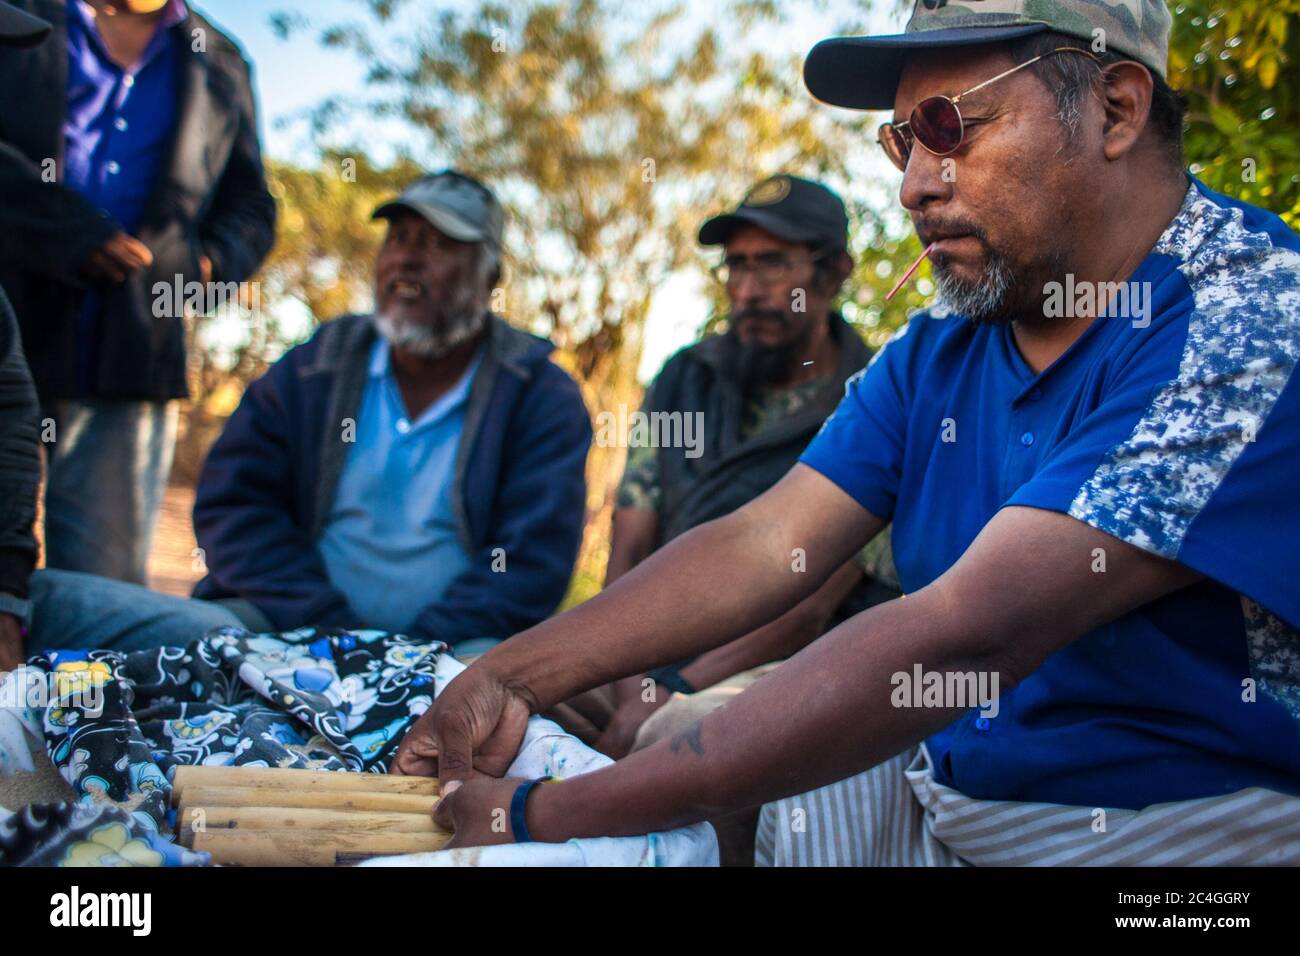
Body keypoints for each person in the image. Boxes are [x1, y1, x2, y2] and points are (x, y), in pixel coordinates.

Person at [394, 0, 1300, 866]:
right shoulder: (940, 347)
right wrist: (509, 677)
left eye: (950, 126)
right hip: (952, 793)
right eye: (902, 140)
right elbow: (765, 542)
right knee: (695, 762)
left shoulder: (1249, 317)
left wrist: (535, 813)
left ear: (1116, 108)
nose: (913, 185)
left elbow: (967, 634)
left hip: (1184, 837)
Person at [561, 175, 898, 761]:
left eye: (771, 265)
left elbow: (811, 605)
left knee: (679, 741)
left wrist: (676, 689)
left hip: (777, 665)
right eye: (735, 267)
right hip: (645, 651)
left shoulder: (876, 394)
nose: (746, 289)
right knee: (496, 685)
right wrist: (630, 681)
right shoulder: (685, 377)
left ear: (835, 272)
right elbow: (631, 543)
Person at [192, 172, 592, 657]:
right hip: (288, 626)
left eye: (439, 244)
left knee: (488, 696)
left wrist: (405, 656)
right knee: (176, 638)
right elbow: (234, 507)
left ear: (489, 279)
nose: (407, 258)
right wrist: (330, 629)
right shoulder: (315, 367)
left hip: (454, 650)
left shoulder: (540, 396)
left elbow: (530, 564)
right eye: (398, 239)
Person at [0, 0, 276, 584]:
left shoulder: (221, 59)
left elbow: (251, 205)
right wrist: (66, 231)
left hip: (131, 357)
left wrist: (205, 266)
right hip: (11, 330)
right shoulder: (18, 17)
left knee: (103, 591)